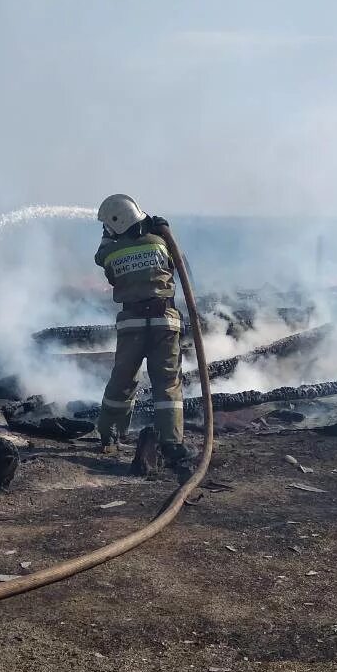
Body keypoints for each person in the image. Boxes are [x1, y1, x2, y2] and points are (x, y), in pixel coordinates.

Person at [93, 194, 190, 469]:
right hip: (164, 322)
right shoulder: (161, 242)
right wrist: (158, 228)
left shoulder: (110, 252)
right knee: (168, 383)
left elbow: (102, 260)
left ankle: (109, 435)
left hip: (131, 323)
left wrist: (107, 237)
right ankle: (172, 445)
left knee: (122, 381)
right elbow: (178, 263)